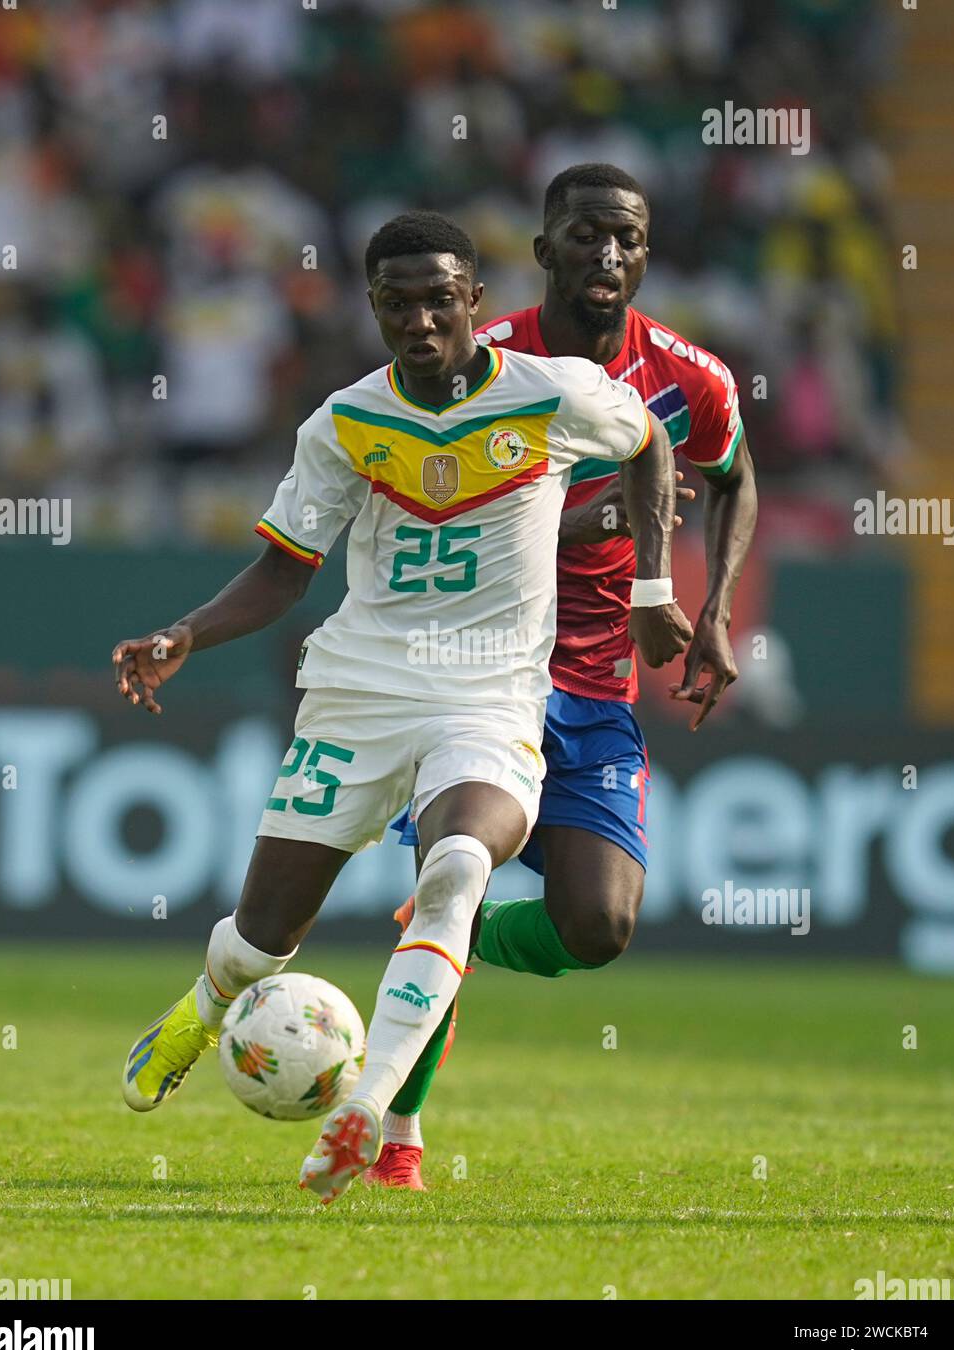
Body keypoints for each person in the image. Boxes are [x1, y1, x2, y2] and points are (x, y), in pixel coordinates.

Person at [112, 210, 690, 1205]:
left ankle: (366, 1108)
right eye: (397, 303)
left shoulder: (553, 396)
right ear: (373, 308)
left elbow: (651, 448)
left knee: (459, 866)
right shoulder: (344, 423)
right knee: (261, 940)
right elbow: (283, 572)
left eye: (439, 299)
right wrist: (185, 634)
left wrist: (651, 587)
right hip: (361, 693)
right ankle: (204, 1010)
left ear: (474, 301)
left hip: (490, 693)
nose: (420, 320)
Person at [370, 164, 759, 1191]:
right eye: (586, 236)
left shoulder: (686, 377)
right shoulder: (480, 368)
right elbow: (427, 514)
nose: (608, 255)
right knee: (458, 864)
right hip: (479, 669)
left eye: (627, 237)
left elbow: (734, 474)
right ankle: (399, 1136)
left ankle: (445, 935)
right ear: (543, 252)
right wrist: (592, 527)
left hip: (593, 688)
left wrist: (712, 607)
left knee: (601, 926)